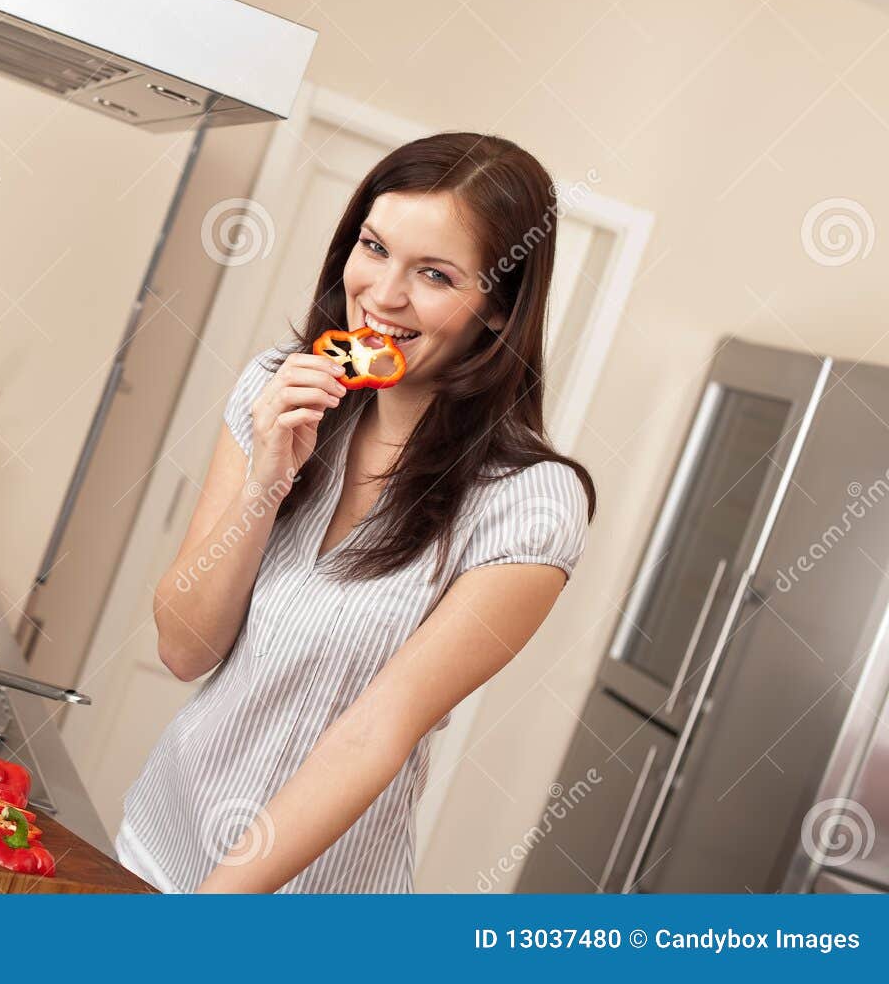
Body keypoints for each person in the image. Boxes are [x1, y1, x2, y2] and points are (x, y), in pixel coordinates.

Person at [117, 133, 597, 893]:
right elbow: (184, 646)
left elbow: (377, 731)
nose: (382, 294)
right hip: (154, 850)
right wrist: (266, 484)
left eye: (434, 274)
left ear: (499, 310)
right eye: (374, 247)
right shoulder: (277, 389)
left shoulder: (530, 501)